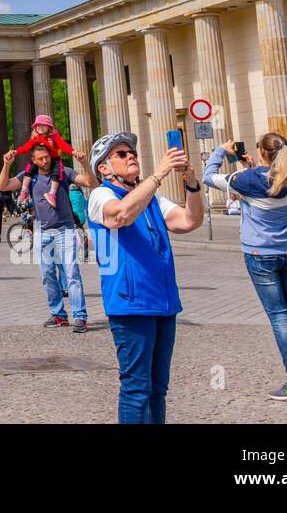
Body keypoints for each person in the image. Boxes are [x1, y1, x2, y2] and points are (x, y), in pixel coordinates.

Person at [86, 132, 204, 424]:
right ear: (103, 168)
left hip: (163, 302)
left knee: (157, 389)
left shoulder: (152, 198)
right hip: (130, 302)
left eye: (131, 152)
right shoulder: (101, 195)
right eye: (121, 154)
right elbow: (120, 216)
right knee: (136, 388)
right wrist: (160, 172)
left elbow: (190, 221)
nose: (131, 156)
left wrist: (191, 184)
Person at [203, 134, 287, 402]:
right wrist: (252, 166)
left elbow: (209, 176)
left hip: (259, 254)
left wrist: (221, 151)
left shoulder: (247, 180)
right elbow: (272, 179)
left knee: (279, 318)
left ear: (263, 154)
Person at [0, 145, 91, 331]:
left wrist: (85, 164)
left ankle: (79, 315)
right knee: (47, 275)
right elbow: (3, 186)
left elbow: (91, 183)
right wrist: (6, 164)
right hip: (42, 231)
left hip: (65, 230)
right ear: (33, 160)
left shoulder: (64, 172)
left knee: (72, 273)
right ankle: (58, 315)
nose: (45, 161)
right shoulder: (29, 176)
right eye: (40, 158)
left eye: (47, 157)